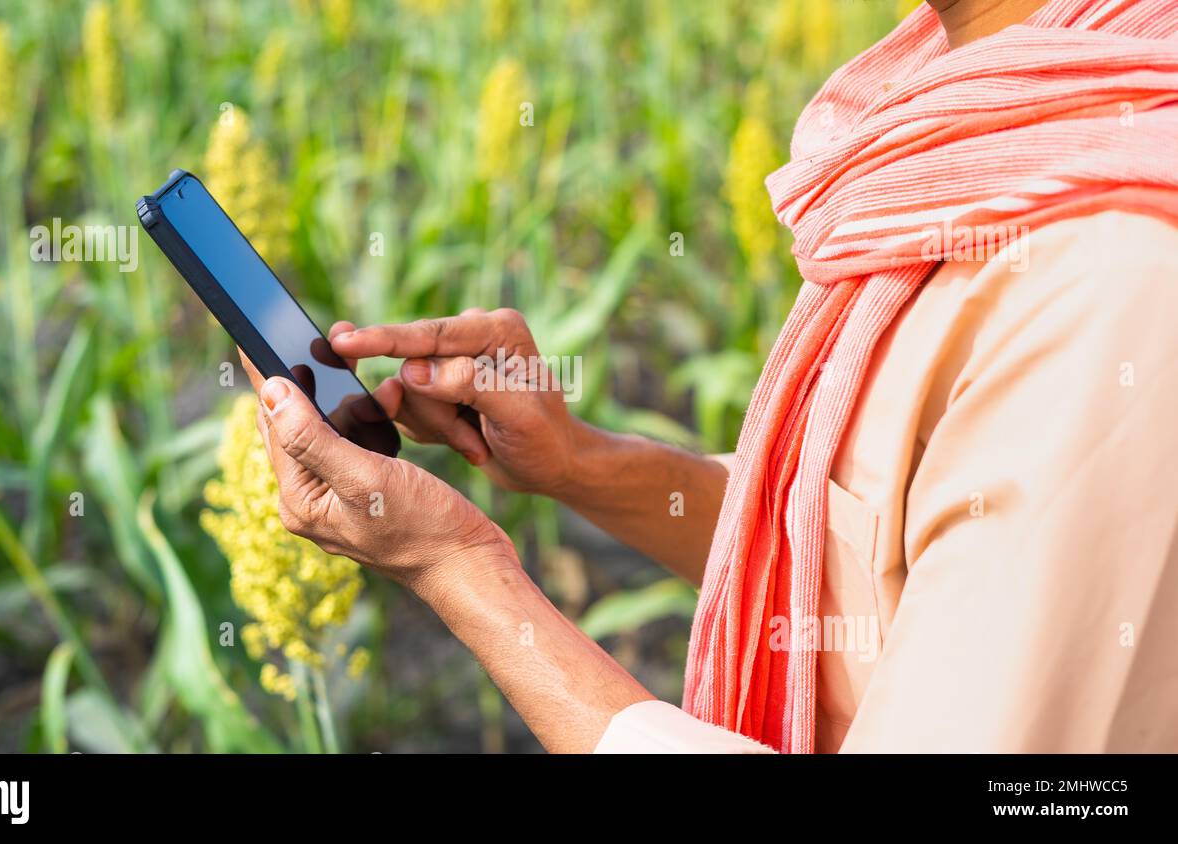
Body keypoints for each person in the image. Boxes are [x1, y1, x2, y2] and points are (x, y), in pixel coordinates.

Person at [240, 0, 1178, 753]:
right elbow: (867, 558)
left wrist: (460, 569)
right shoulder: (1000, 130)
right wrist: (578, 463)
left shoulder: (1108, 282)